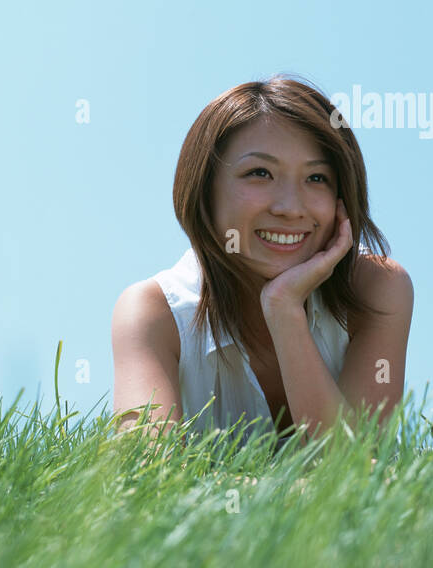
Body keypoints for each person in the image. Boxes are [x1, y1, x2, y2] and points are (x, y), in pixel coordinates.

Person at [111, 74, 413, 452]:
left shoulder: (377, 290)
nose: (288, 207)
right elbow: (144, 471)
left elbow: (354, 469)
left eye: (316, 178)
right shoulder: (155, 312)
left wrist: (285, 311)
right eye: (260, 174)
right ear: (204, 190)